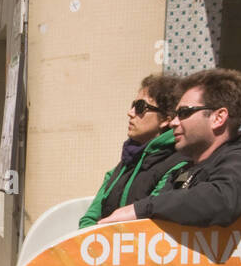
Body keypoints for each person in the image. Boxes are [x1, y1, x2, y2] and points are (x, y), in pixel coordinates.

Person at [99, 68, 241, 227]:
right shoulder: (186, 169)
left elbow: (221, 200)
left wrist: (140, 209)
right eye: (176, 114)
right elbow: (166, 202)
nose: (174, 122)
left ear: (218, 118)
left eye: (184, 113)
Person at [78, 74, 187, 228]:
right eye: (132, 105)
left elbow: (153, 223)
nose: (130, 112)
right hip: (106, 248)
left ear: (166, 120)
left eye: (140, 107)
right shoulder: (124, 163)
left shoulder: (179, 164)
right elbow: (89, 219)